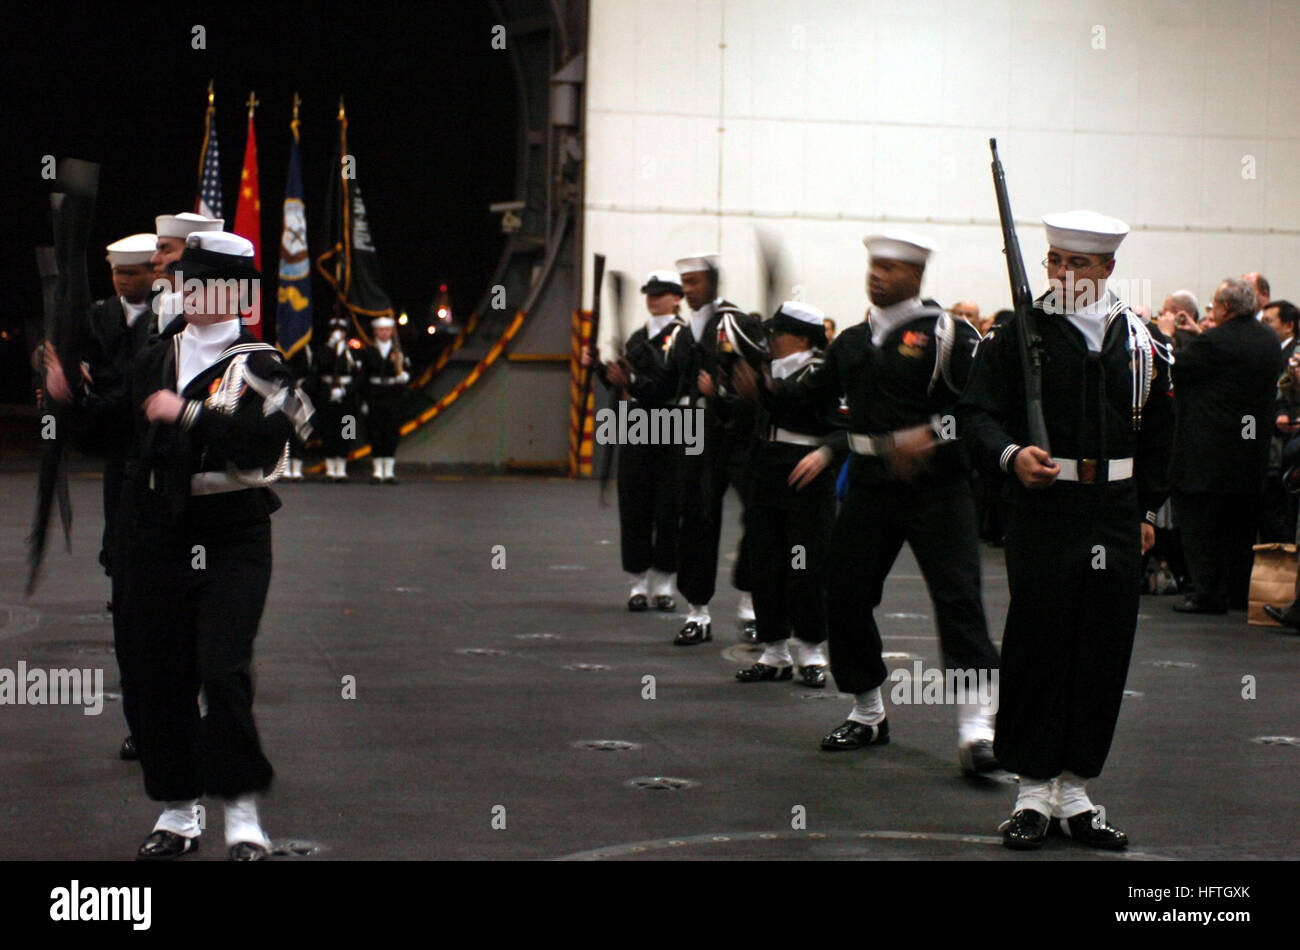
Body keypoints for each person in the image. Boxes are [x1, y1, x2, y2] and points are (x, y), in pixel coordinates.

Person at [739, 232, 1000, 774]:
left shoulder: (951, 335)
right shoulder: (852, 342)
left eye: (890, 267)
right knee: (846, 594)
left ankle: (978, 728)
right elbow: (810, 404)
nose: (876, 275)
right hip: (868, 486)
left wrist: (931, 435)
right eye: (872, 265)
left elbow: (978, 413)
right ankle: (867, 710)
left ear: (916, 275)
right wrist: (761, 389)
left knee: (958, 601)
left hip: (938, 489)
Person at [958, 209, 1174, 850]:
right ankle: (1031, 791)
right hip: (1046, 511)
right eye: (1056, 259)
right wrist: (1010, 456)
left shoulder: (1144, 344)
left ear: (1108, 268)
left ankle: (1075, 791)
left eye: (1079, 262)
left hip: (1113, 510)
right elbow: (974, 414)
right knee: (1037, 643)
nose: (1064, 272)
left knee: (1103, 648)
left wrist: (1145, 513)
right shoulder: (1016, 334)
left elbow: (1161, 437)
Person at [119, 232, 314, 860]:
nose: (184, 288)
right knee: (162, 675)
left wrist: (188, 415)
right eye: (186, 279)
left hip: (233, 532)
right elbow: (121, 427)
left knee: (222, 669)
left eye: (198, 279)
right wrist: (67, 396)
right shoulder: (155, 354)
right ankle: (178, 812)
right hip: (160, 530)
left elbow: (272, 444)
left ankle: (242, 815)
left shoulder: (262, 362)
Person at [605, 254, 764, 646]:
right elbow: (666, 387)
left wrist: (724, 393)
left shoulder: (734, 322)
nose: (688, 290)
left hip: (738, 435)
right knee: (696, 521)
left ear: (712, 283)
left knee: (758, 522)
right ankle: (698, 611)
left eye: (694, 283)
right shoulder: (686, 334)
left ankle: (751, 605)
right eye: (685, 282)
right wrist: (631, 382)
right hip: (698, 434)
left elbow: (757, 374)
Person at [43, 232, 158, 761]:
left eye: (133, 272)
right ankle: (142, 720)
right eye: (116, 271)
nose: (122, 280)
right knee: (128, 607)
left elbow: (130, 391)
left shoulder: (176, 320)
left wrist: (93, 392)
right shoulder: (93, 318)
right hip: (123, 476)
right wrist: (58, 383)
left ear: (155, 273)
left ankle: (186, 710)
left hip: (167, 468)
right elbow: (67, 379)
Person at [733, 301, 844, 688]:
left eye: (777, 333)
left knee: (804, 566)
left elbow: (847, 425)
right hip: (767, 469)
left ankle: (810, 650)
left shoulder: (822, 373)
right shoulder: (770, 373)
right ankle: (774, 651)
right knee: (766, 562)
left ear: (799, 338)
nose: (771, 340)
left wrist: (825, 452)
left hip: (805, 473)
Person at [1169, 278, 1285, 613]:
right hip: (1250, 451)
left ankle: (1206, 592)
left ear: (1226, 307)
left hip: (1207, 451)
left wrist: (1167, 335)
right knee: (1239, 527)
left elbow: (1181, 368)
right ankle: (1236, 592)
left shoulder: (1215, 342)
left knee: (1201, 525)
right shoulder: (1268, 339)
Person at [588, 270, 683, 611]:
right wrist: (601, 369)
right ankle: (637, 582)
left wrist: (632, 380)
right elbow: (623, 384)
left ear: (677, 298)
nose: (653, 299)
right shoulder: (637, 338)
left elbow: (667, 384)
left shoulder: (682, 338)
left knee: (668, 509)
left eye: (661, 293)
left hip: (674, 425)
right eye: (650, 293)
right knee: (635, 505)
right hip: (637, 425)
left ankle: (665, 584)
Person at [148, 212, 224, 336]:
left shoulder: (217, 316)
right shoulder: (150, 308)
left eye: (166, 251)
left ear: (194, 256)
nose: (154, 260)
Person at [360, 315, 409, 483]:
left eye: (387, 330)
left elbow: (407, 369)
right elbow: (363, 377)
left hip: (392, 395)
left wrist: (404, 376)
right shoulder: (369, 351)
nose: (384, 333)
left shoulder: (398, 352)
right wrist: (364, 399)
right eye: (381, 330)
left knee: (391, 432)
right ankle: (377, 470)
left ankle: (388, 471)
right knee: (376, 432)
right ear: (375, 332)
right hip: (375, 396)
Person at [313, 315, 360, 481]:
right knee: (328, 429)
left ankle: (342, 466)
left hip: (347, 397)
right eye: (335, 331)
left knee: (347, 430)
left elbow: (359, 376)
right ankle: (330, 467)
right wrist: (331, 347)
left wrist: (345, 390)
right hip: (327, 394)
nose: (338, 334)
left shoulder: (352, 351)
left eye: (341, 331)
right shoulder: (323, 350)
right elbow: (321, 366)